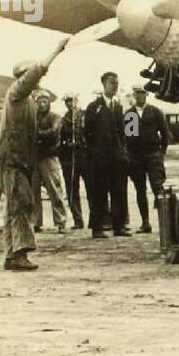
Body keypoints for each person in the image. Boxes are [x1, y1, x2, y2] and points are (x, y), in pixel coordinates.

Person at [0, 42, 71, 269]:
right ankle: (19, 254)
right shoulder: (18, 93)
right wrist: (56, 50)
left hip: (15, 159)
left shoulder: (25, 101)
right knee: (22, 203)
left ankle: (11, 254)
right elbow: (39, 70)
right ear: (23, 77)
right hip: (13, 159)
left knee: (15, 205)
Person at [84, 71, 131, 237]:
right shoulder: (94, 107)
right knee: (99, 193)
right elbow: (87, 132)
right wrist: (95, 153)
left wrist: (123, 153)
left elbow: (124, 133)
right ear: (103, 84)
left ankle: (119, 226)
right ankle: (97, 228)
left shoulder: (119, 108)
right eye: (112, 83)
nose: (115, 86)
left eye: (117, 83)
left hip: (117, 158)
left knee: (119, 191)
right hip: (100, 158)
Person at [124, 84, 170, 234]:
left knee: (158, 188)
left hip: (153, 156)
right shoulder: (130, 114)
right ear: (134, 95)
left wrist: (161, 153)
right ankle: (145, 223)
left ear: (147, 95)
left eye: (143, 93)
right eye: (137, 93)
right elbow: (129, 138)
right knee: (140, 190)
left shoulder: (155, 112)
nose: (140, 96)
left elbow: (164, 134)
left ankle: (164, 223)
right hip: (136, 157)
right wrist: (130, 156)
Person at [31, 90, 71, 233]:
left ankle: (60, 221)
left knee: (54, 190)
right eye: (39, 101)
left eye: (45, 101)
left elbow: (53, 133)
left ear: (49, 103)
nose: (42, 104)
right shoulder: (32, 118)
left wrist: (37, 135)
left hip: (49, 157)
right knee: (33, 191)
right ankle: (36, 221)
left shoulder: (55, 117)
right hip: (35, 158)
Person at [57, 94, 90, 230]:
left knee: (91, 188)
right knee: (71, 189)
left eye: (72, 100)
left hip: (85, 156)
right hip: (69, 158)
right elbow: (59, 138)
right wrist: (66, 146)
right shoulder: (63, 119)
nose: (70, 104)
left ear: (77, 101)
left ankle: (96, 219)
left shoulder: (85, 115)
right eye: (67, 101)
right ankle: (78, 219)